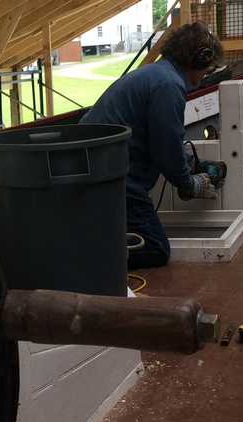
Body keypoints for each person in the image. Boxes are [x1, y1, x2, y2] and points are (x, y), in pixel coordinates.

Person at [81, 23, 224, 268]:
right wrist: (190, 184)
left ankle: (89, 244)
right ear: (199, 59)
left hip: (99, 169)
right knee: (155, 248)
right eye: (207, 70)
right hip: (113, 179)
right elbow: (165, 149)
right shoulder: (169, 85)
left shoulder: (158, 74)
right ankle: (82, 260)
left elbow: (164, 139)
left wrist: (186, 160)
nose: (204, 78)